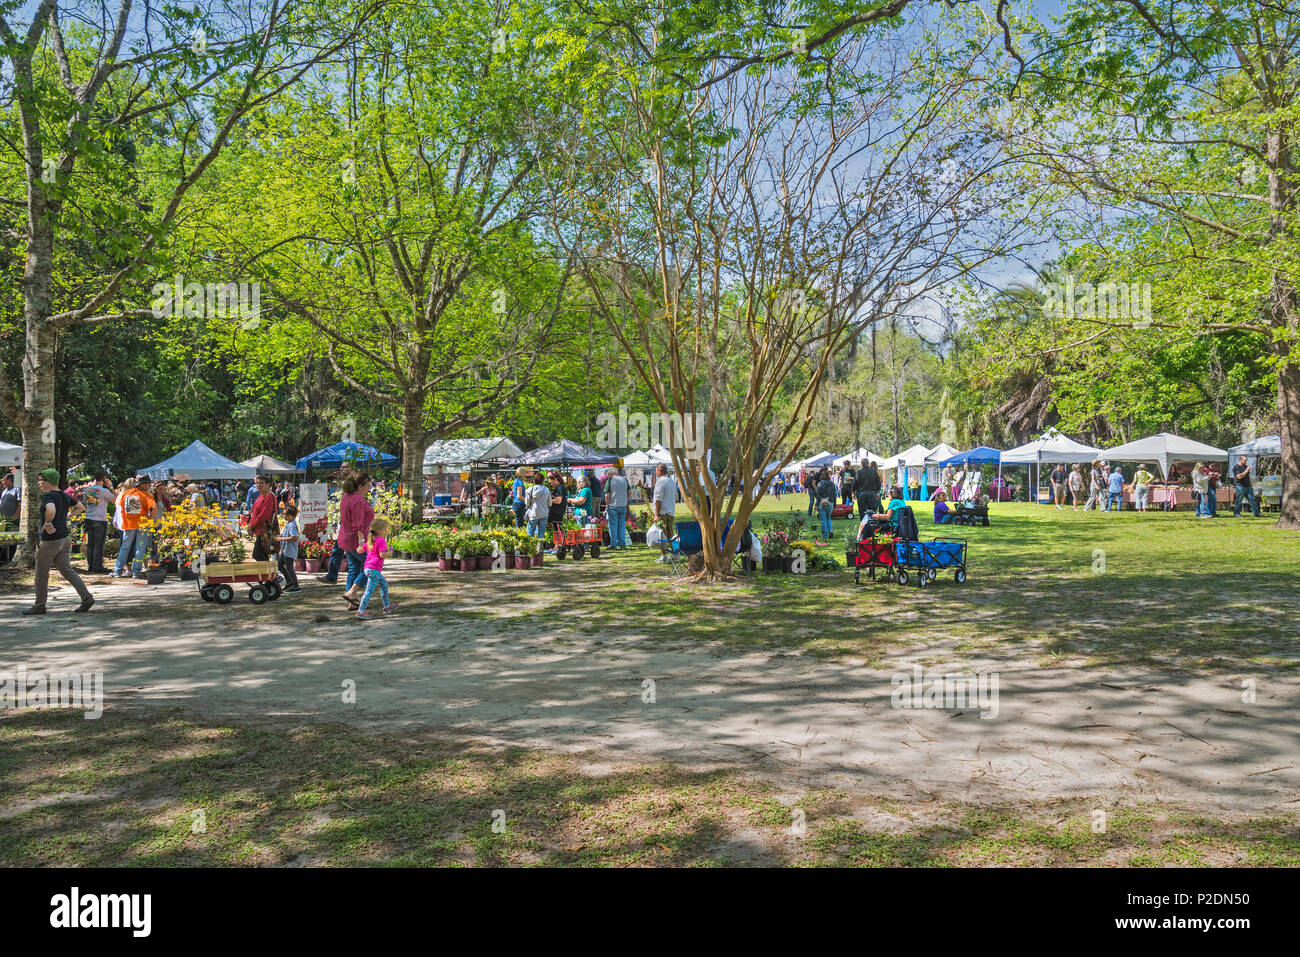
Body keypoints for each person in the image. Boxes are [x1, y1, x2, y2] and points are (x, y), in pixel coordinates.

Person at [24, 468, 95, 615]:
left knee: (41, 573)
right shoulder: (64, 495)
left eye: (41, 480)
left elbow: (50, 509)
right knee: (66, 570)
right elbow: (80, 507)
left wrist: (49, 522)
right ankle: (86, 597)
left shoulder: (48, 496)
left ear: (48, 481)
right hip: (65, 539)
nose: (39, 483)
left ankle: (40, 606)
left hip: (50, 541)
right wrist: (67, 517)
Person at [338, 473, 374, 607]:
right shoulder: (358, 500)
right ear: (360, 486)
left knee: (354, 568)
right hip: (356, 541)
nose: (369, 487)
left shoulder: (347, 496)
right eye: (368, 485)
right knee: (372, 567)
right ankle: (352, 593)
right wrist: (362, 544)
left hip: (345, 539)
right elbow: (357, 524)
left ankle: (351, 603)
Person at [113, 477, 156, 578]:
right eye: (146, 484)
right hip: (142, 525)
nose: (148, 486)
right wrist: (150, 517)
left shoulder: (126, 493)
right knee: (140, 548)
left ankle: (117, 570)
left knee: (124, 547)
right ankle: (136, 571)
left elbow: (120, 507)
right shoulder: (146, 495)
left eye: (149, 484)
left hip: (128, 524)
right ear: (140, 484)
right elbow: (154, 507)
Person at [354, 518, 394, 620]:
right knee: (369, 590)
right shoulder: (381, 541)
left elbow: (359, 550)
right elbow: (382, 555)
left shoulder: (370, 540)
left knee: (384, 583)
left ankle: (387, 606)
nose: (387, 532)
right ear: (380, 530)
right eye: (386, 529)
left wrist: (361, 542)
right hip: (374, 569)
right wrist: (390, 552)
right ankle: (361, 611)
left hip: (368, 569)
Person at [80, 470, 113, 574]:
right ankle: (97, 566)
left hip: (89, 518)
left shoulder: (88, 490)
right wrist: (111, 487)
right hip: (100, 519)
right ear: (104, 479)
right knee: (99, 544)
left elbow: (85, 502)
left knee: (91, 544)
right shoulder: (104, 491)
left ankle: (91, 565)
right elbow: (116, 499)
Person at [248, 475, 280, 561]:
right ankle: (268, 574)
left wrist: (251, 526)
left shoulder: (269, 496)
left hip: (264, 530)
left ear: (268, 484)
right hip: (260, 530)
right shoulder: (261, 495)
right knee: (263, 555)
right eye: (257, 483)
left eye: (261, 483)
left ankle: (269, 574)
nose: (259, 485)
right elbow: (255, 513)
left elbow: (264, 516)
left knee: (257, 555)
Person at [652, 464, 677, 561]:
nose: (655, 473)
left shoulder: (661, 482)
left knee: (661, 534)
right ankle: (675, 554)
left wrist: (656, 514)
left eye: (656, 471)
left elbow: (658, 499)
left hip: (663, 512)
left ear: (659, 471)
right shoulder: (671, 481)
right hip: (670, 511)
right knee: (670, 535)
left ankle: (664, 556)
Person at [276, 504, 302, 593]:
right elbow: (287, 534)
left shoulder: (292, 525)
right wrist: (281, 536)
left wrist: (282, 539)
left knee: (289, 567)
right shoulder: (288, 523)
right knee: (280, 565)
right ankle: (289, 582)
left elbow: (294, 537)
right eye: (283, 514)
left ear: (292, 515)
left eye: (286, 514)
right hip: (286, 550)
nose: (284, 516)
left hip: (289, 551)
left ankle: (295, 585)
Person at [604, 467, 629, 549]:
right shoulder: (624, 480)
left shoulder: (610, 480)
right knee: (622, 524)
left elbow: (607, 495)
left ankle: (613, 544)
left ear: (610, 474)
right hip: (623, 505)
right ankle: (622, 543)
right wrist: (625, 500)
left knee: (613, 525)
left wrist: (607, 506)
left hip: (613, 505)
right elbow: (629, 492)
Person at [525, 471, 552, 541]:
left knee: (530, 533)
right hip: (544, 514)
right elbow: (550, 504)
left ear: (534, 480)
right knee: (541, 534)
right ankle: (540, 550)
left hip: (533, 513)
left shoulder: (530, 490)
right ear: (543, 480)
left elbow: (527, 503)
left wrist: (529, 505)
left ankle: (530, 549)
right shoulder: (546, 490)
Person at [814, 467, 836, 538]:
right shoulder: (832, 484)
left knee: (823, 519)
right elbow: (834, 494)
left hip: (822, 502)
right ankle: (831, 530)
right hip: (830, 502)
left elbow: (818, 496)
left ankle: (825, 535)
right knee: (828, 518)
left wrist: (816, 504)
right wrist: (835, 504)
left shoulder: (820, 484)